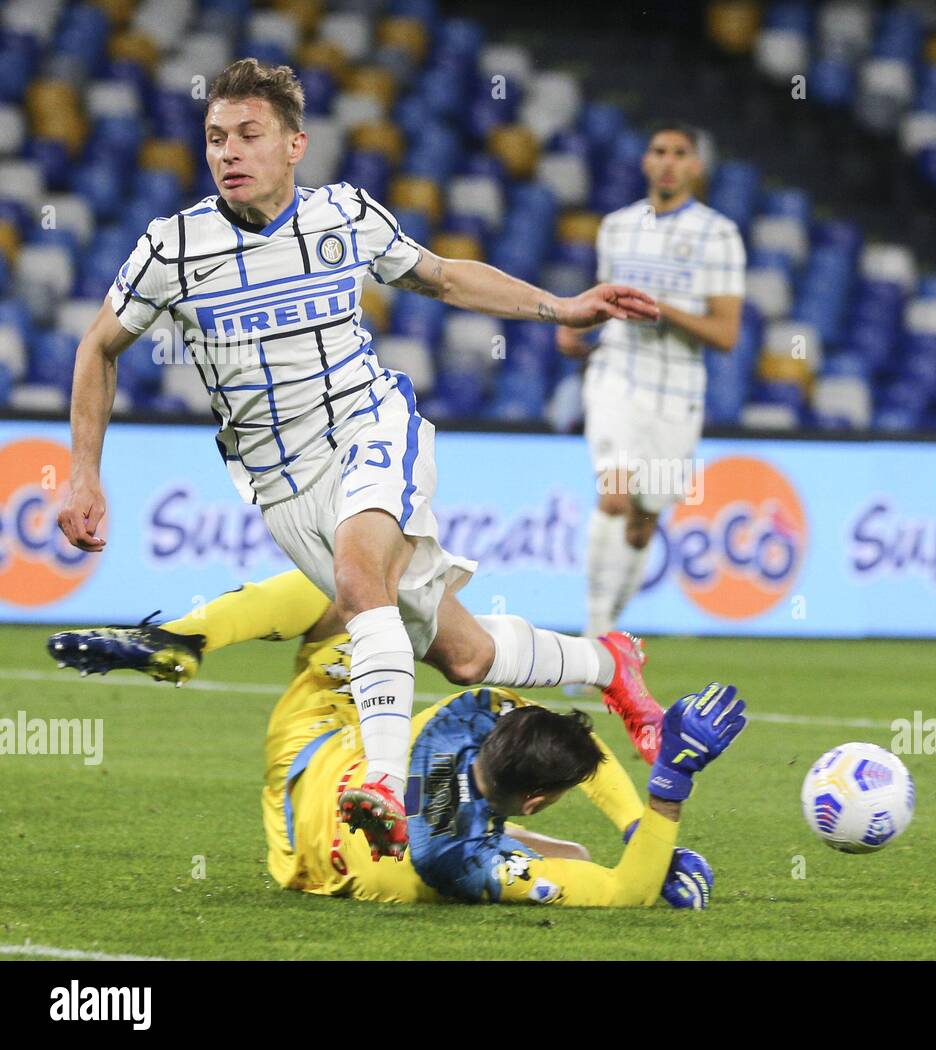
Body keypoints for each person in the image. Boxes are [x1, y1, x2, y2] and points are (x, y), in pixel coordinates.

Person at [55, 59, 664, 861]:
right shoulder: (173, 248)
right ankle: (606, 661)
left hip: (368, 423)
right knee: (463, 655)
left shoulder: (344, 216)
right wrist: (84, 470)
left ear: (295, 143)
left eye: (248, 135)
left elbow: (444, 278)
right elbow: (99, 345)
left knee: (356, 582)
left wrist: (561, 307)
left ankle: (380, 784)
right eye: (214, 139)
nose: (228, 152)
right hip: (280, 481)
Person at [47, 578, 746, 908]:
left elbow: (556, 745)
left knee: (343, 588)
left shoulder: (464, 715)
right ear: (532, 804)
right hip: (313, 843)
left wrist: (639, 832)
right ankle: (607, 666)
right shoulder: (466, 866)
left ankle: (188, 637)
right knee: (579, 860)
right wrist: (663, 799)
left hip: (318, 747)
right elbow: (626, 892)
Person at [557, 122, 746, 637]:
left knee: (643, 523)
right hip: (616, 376)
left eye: (680, 153)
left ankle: (610, 628)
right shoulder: (617, 227)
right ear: (645, 161)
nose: (668, 161)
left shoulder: (719, 235)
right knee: (614, 495)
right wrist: (579, 331)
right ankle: (594, 637)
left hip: (679, 395)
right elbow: (606, 305)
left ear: (695, 167)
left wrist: (664, 311)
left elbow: (726, 334)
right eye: (658, 150)